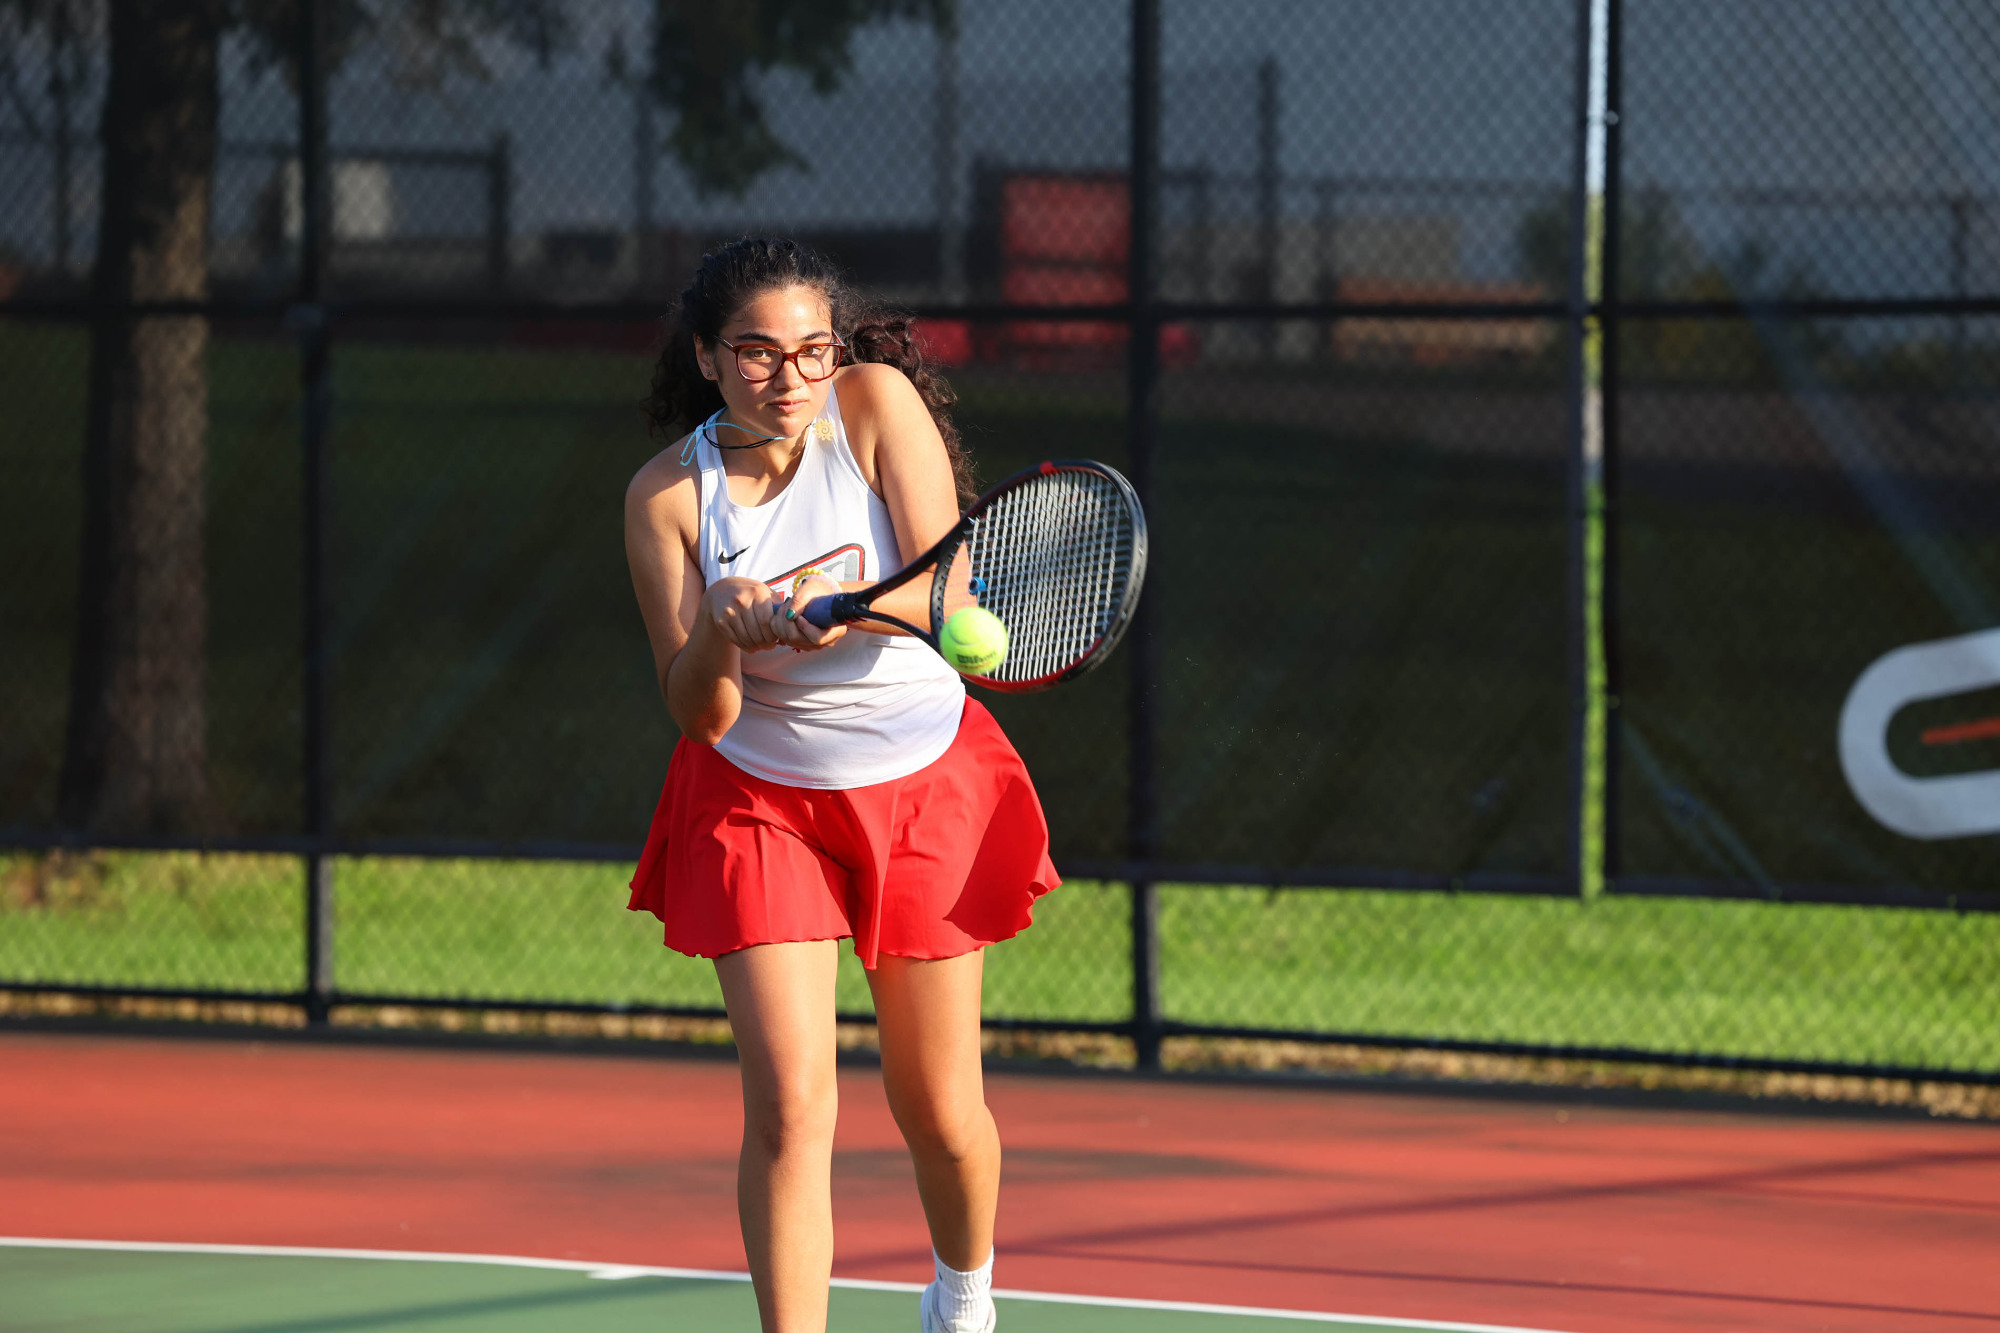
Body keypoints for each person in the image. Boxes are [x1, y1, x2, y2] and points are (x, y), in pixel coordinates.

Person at [623, 237, 1059, 1333]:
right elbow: (699, 714)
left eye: (811, 350)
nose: (792, 378)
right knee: (789, 1102)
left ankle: (962, 1297)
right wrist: (723, 631)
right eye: (759, 354)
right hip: (758, 798)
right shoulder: (667, 499)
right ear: (708, 359)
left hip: (920, 783)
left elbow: (945, 591)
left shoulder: (875, 406)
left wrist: (829, 599)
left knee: (941, 1110)